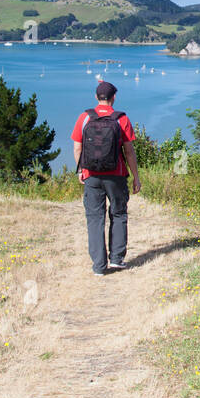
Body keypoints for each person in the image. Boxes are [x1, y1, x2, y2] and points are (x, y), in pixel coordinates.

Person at [71, 80, 140, 275]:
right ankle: (117, 259)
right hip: (116, 175)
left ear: (96, 97)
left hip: (91, 175)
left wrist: (81, 171)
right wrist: (136, 176)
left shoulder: (85, 117)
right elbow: (129, 151)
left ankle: (99, 266)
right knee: (118, 214)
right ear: (113, 97)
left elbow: (77, 147)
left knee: (95, 218)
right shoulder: (121, 119)